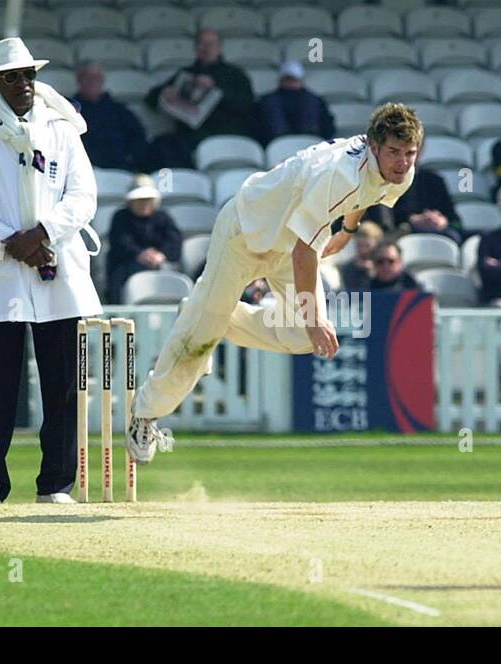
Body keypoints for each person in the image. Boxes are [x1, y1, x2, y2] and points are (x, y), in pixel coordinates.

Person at [124, 104, 420, 465]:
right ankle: (144, 413)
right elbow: (305, 254)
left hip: (285, 244)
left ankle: (212, 313)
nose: (402, 163)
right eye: (394, 152)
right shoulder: (339, 175)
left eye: (409, 153)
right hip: (246, 231)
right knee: (197, 346)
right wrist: (316, 320)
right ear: (374, 146)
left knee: (300, 336)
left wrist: (348, 229)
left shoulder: (400, 172)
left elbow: (368, 195)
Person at [0, 38, 101, 505]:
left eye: (28, 75)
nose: (23, 84)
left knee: (64, 386)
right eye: (12, 76)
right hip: (3, 271)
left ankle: (56, 484)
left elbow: (83, 197)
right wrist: (12, 245)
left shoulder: (61, 131)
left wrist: (42, 235)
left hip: (58, 266)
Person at [143, 29, 256, 168]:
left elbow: (247, 106)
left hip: (227, 132)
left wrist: (216, 89)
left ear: (219, 47)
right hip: (191, 135)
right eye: (201, 44)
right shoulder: (187, 73)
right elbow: (151, 98)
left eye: (211, 44)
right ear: (195, 48)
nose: (206, 48)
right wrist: (165, 94)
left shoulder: (235, 74)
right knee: (162, 146)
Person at [105, 175, 184, 304]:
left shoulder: (163, 217)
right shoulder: (120, 217)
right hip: (127, 264)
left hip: (160, 264)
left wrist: (161, 255)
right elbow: (120, 241)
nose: (144, 204)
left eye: (148, 199)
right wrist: (139, 254)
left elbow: (174, 239)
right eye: (139, 200)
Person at [365, 140, 462, 242]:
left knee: (463, 236)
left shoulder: (435, 180)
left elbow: (456, 221)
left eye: (410, 150)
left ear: (420, 150)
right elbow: (383, 222)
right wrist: (411, 221)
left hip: (437, 232)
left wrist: (443, 221)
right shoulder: (382, 180)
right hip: (400, 233)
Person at [72, 62, 146, 171]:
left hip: (120, 168)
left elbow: (138, 136)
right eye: (87, 78)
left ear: (102, 81)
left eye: (97, 78)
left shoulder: (120, 110)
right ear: (79, 80)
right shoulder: (68, 109)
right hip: (82, 169)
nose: (92, 82)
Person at [257, 61, 335, 144]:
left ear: (301, 80)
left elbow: (327, 127)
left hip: (310, 145)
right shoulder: (267, 101)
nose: (290, 82)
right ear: (280, 80)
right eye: (287, 79)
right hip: (276, 146)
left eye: (293, 79)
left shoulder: (314, 100)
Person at [338, 222, 384, 292]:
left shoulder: (386, 263)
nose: (363, 250)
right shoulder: (347, 268)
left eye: (367, 246)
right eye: (359, 245)